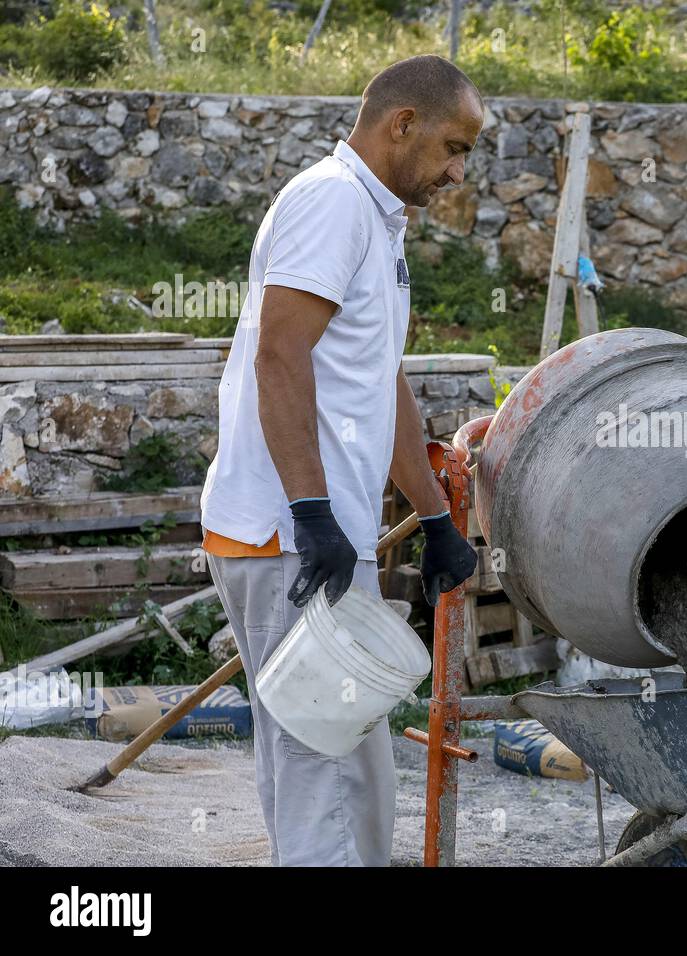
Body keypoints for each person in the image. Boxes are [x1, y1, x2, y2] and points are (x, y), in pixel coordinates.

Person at [200, 55, 483, 866]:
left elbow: (375, 379)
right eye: (452, 148)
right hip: (289, 539)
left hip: (318, 536)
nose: (458, 172)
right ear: (403, 125)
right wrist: (312, 514)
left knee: (351, 760)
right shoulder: (331, 203)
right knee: (317, 770)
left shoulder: (374, 219)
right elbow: (280, 358)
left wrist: (433, 519)